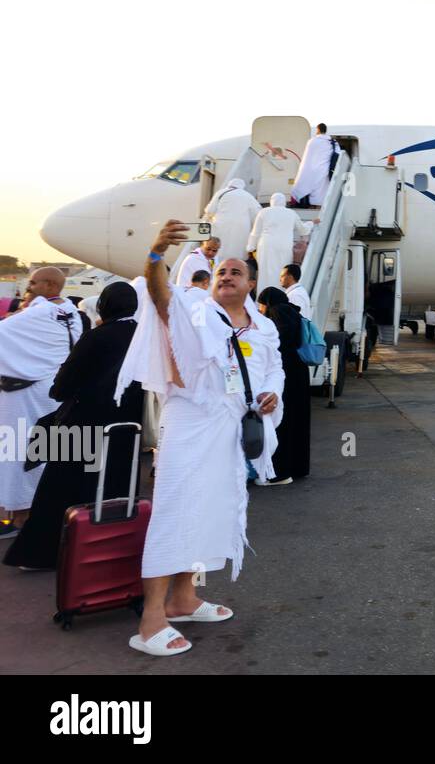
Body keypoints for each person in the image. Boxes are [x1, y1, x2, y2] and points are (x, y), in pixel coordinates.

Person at [116, 220, 283, 657]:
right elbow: (159, 297)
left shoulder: (264, 328)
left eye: (236, 273)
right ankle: (151, 618)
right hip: (190, 426)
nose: (226, 277)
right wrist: (155, 255)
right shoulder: (195, 312)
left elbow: (273, 369)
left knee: (212, 512)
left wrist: (271, 395)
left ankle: (183, 599)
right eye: (221, 272)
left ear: (250, 284)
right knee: (174, 514)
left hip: (230, 431)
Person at [3, 283, 144, 570]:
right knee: (114, 491)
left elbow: (63, 386)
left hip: (81, 426)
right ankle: (107, 551)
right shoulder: (144, 337)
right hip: (126, 430)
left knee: (56, 491)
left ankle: (41, 554)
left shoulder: (96, 336)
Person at [0, 268, 85, 538]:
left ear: (50, 286)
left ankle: (22, 520)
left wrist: (19, 314)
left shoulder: (39, 314)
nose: (28, 286)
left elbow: (4, 333)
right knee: (41, 457)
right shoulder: (71, 314)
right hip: (48, 396)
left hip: (25, 399)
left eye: (34, 282)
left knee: (19, 458)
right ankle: (31, 518)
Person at [256, 287, 310, 485]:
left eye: (262, 304)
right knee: (298, 422)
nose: (260, 309)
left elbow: (278, 343)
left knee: (282, 423)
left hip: (287, 372)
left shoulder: (278, 314)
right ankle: (298, 467)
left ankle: (280, 472)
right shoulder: (292, 311)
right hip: (298, 372)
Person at [247, 194, 310, 302]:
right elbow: (303, 230)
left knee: (264, 273)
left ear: (271, 201)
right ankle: (280, 300)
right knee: (282, 272)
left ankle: (262, 302)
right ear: (284, 202)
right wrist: (311, 223)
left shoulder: (263, 212)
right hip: (284, 246)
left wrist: (250, 248)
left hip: (266, 245)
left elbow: (255, 233)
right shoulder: (291, 213)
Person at [203, 178, 261, 265]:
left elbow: (209, 210)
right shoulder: (248, 196)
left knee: (220, 252)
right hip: (241, 228)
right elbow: (258, 215)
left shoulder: (221, 192)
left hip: (221, 225)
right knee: (238, 254)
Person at [290, 124, 337, 206]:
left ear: (318, 130)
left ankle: (312, 205)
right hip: (325, 169)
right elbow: (339, 154)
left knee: (310, 186)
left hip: (312, 169)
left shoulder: (312, 141)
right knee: (322, 189)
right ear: (325, 130)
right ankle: (320, 206)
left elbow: (307, 157)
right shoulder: (332, 142)